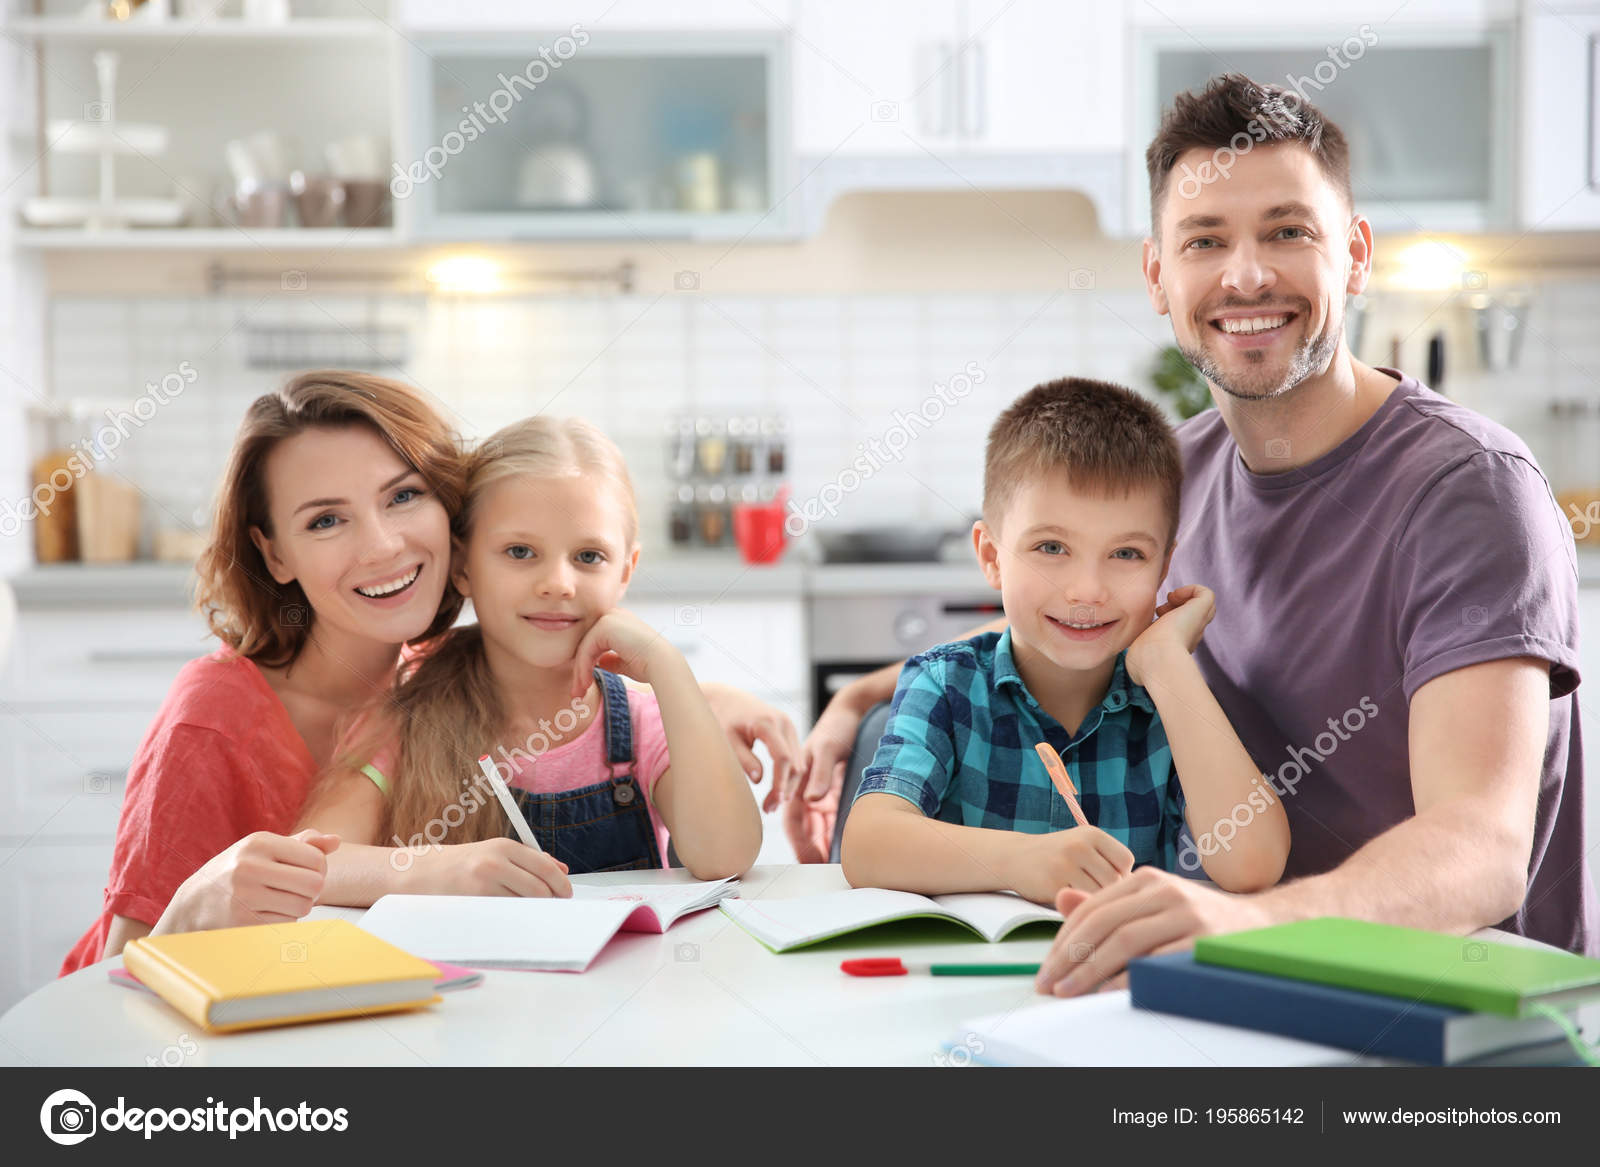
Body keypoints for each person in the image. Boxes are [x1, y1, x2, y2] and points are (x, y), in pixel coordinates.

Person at [805, 73, 1599, 987]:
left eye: (1288, 231)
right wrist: (868, 695)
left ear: (1355, 254)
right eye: (1206, 240)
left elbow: (1482, 847)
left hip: (1451, 1004)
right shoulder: (1175, 473)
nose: (1247, 274)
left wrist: (1241, 920)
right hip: (1237, 985)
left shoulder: (1468, 491)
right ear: (1157, 275)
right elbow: (1082, 618)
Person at [61, 372, 794, 974]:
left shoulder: (424, 669)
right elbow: (123, 974)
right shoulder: (219, 714)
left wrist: (688, 690)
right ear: (274, 552)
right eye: (325, 519)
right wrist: (424, 869)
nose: (382, 546)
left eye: (403, 495)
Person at [841, 378, 1288, 902]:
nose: (1086, 591)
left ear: (1164, 567)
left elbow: (1253, 863)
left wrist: (1166, 662)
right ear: (991, 557)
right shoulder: (945, 685)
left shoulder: (1171, 701)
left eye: (1126, 554)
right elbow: (868, 846)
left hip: (1116, 980)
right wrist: (1022, 861)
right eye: (1051, 547)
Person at [299, 415, 762, 888]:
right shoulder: (405, 719)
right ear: (462, 566)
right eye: (520, 552)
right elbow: (312, 865)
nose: (558, 585)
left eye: (588, 557)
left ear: (626, 571)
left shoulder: (644, 724)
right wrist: (436, 870)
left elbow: (726, 858)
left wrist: (668, 668)